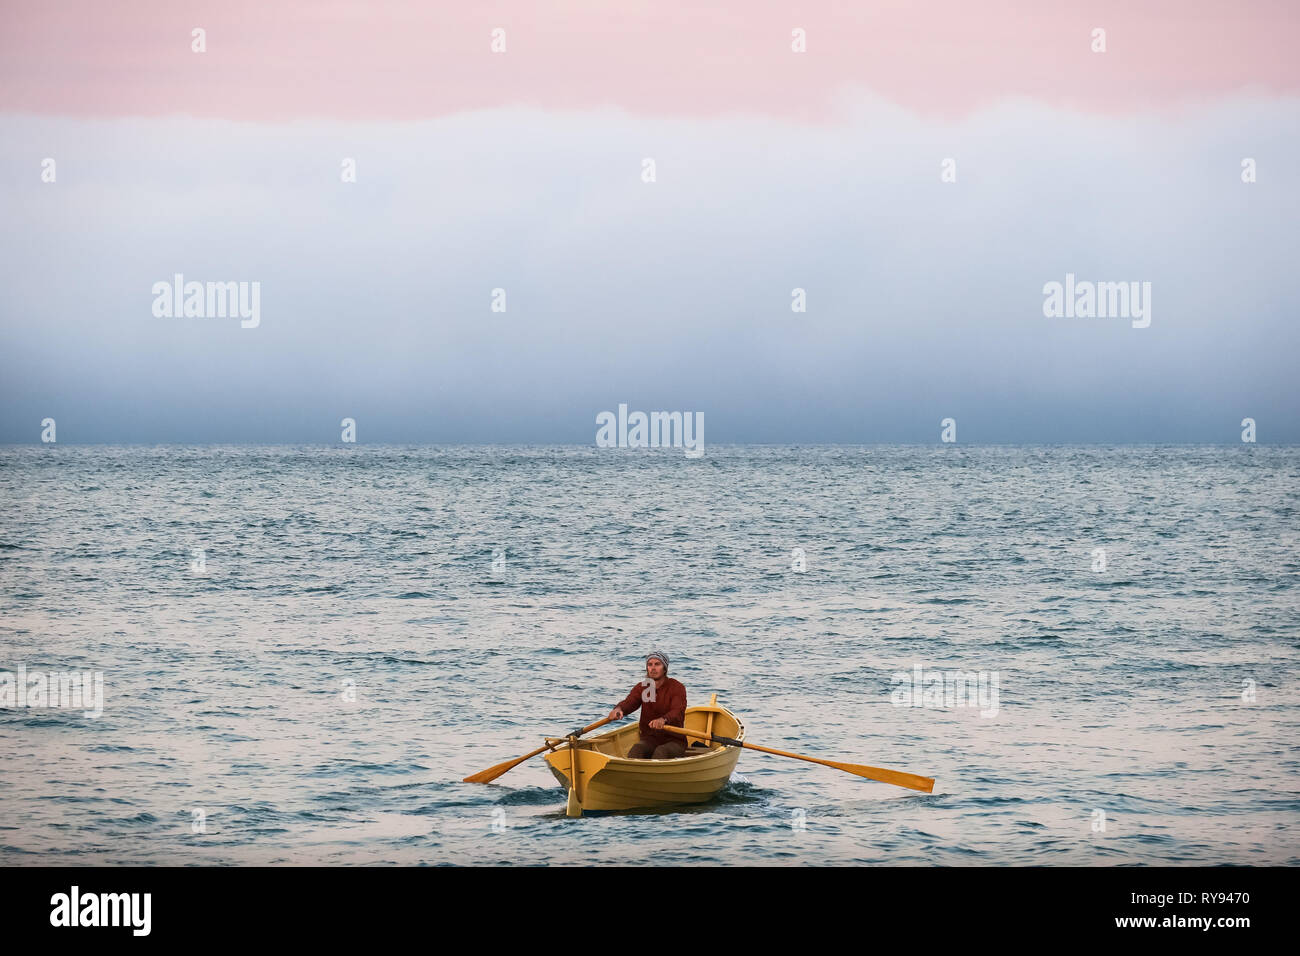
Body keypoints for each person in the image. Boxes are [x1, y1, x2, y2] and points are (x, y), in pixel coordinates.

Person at [608, 651, 687, 759]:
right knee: (636, 750)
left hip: (674, 740)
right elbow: (630, 702)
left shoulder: (677, 687)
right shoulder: (643, 687)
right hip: (650, 739)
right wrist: (619, 709)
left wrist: (663, 719)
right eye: (650, 665)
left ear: (664, 668)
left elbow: (677, 711)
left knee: (661, 752)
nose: (653, 668)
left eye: (657, 664)